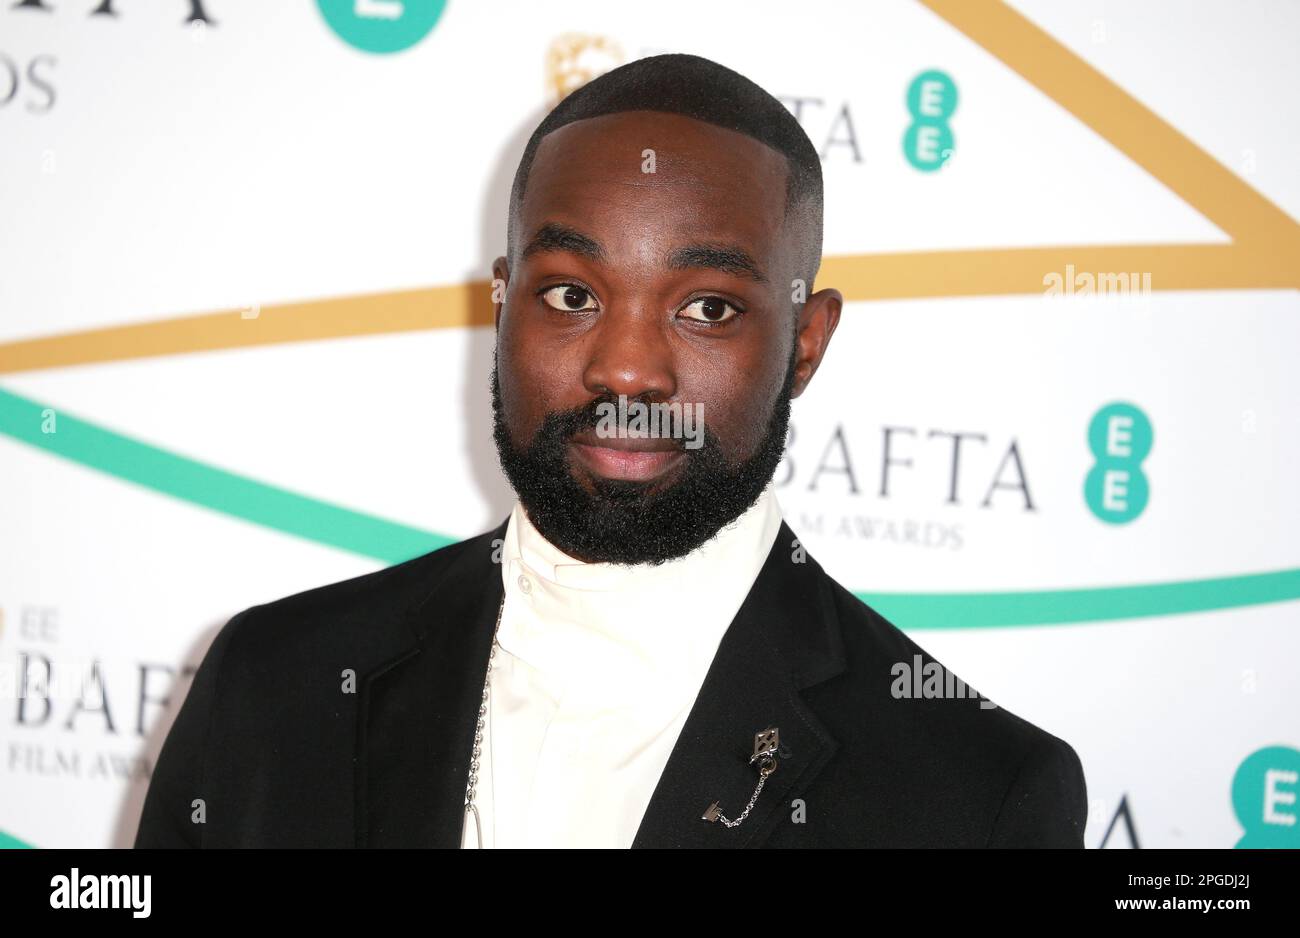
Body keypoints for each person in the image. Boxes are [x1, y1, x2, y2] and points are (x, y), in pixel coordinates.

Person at [134, 52, 1087, 849]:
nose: (626, 372)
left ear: (805, 342)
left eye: (707, 308)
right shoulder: (273, 682)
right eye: (571, 295)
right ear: (501, 303)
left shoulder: (975, 794)